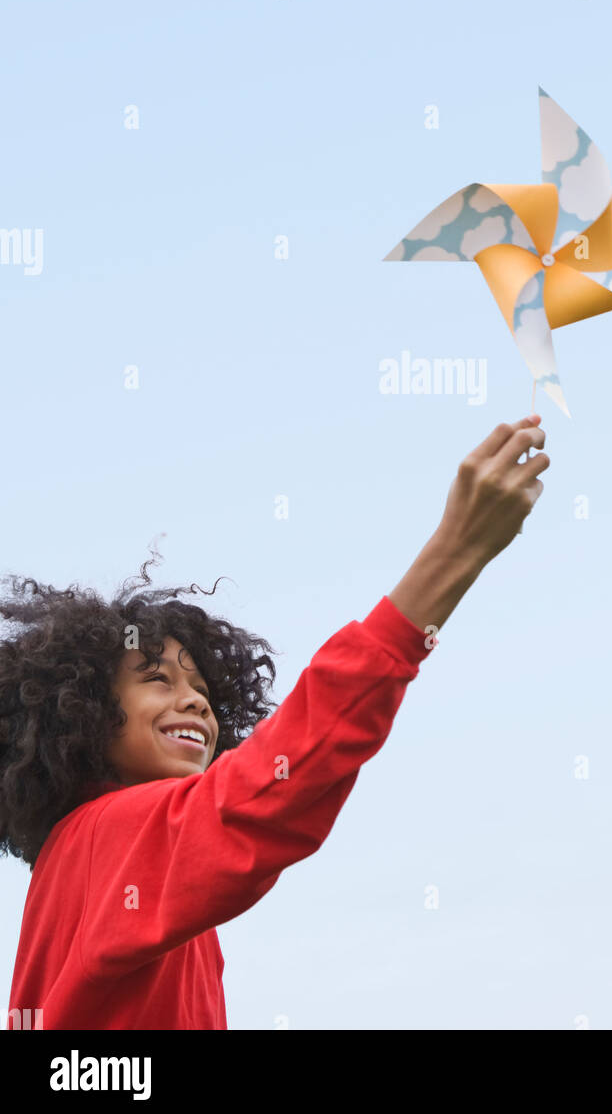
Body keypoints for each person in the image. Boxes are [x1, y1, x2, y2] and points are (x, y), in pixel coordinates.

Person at [1, 415, 549, 1029]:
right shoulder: (107, 834)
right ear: (81, 717)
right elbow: (261, 797)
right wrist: (455, 551)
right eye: (157, 678)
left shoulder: (108, 865)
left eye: (202, 688)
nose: (195, 703)